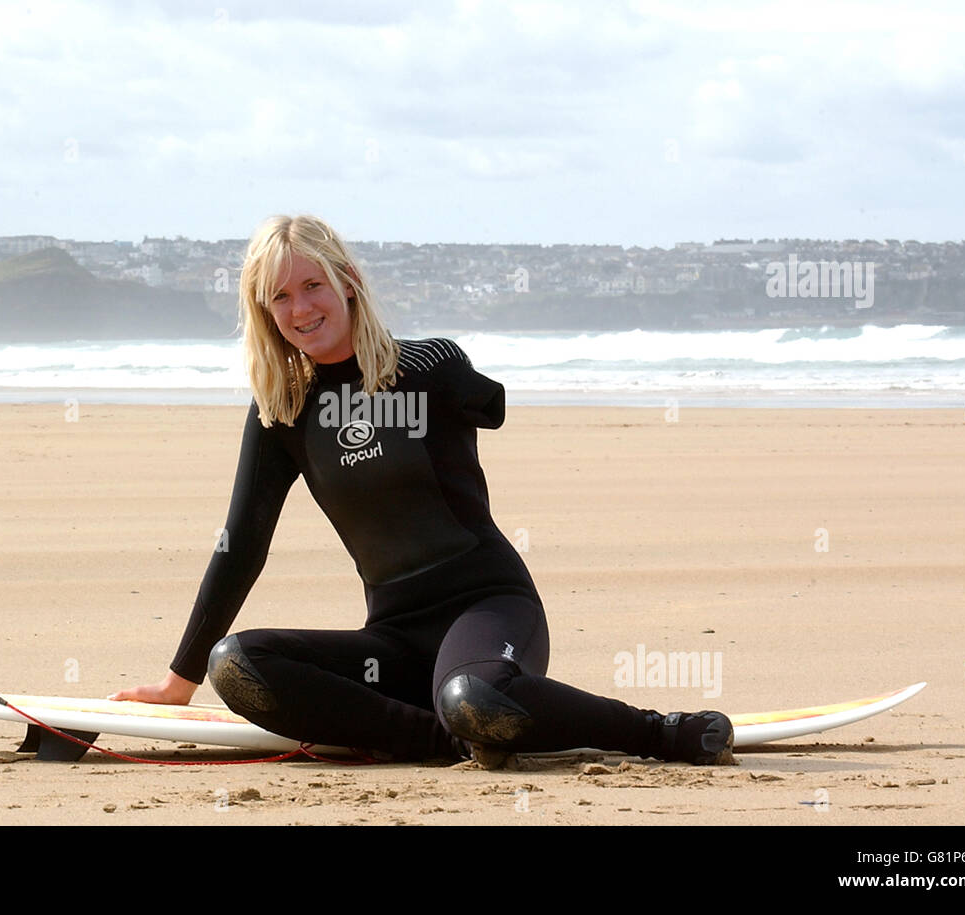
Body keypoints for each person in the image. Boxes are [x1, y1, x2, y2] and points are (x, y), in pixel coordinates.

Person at [111, 213, 734, 768]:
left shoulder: (426, 368)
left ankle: (659, 732)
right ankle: (444, 740)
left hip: (488, 608)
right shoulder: (284, 409)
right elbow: (240, 543)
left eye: (311, 286)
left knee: (475, 695)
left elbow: (491, 403)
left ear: (348, 280)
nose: (299, 309)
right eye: (279, 296)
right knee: (237, 663)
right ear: (263, 310)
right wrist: (179, 681)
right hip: (395, 644)